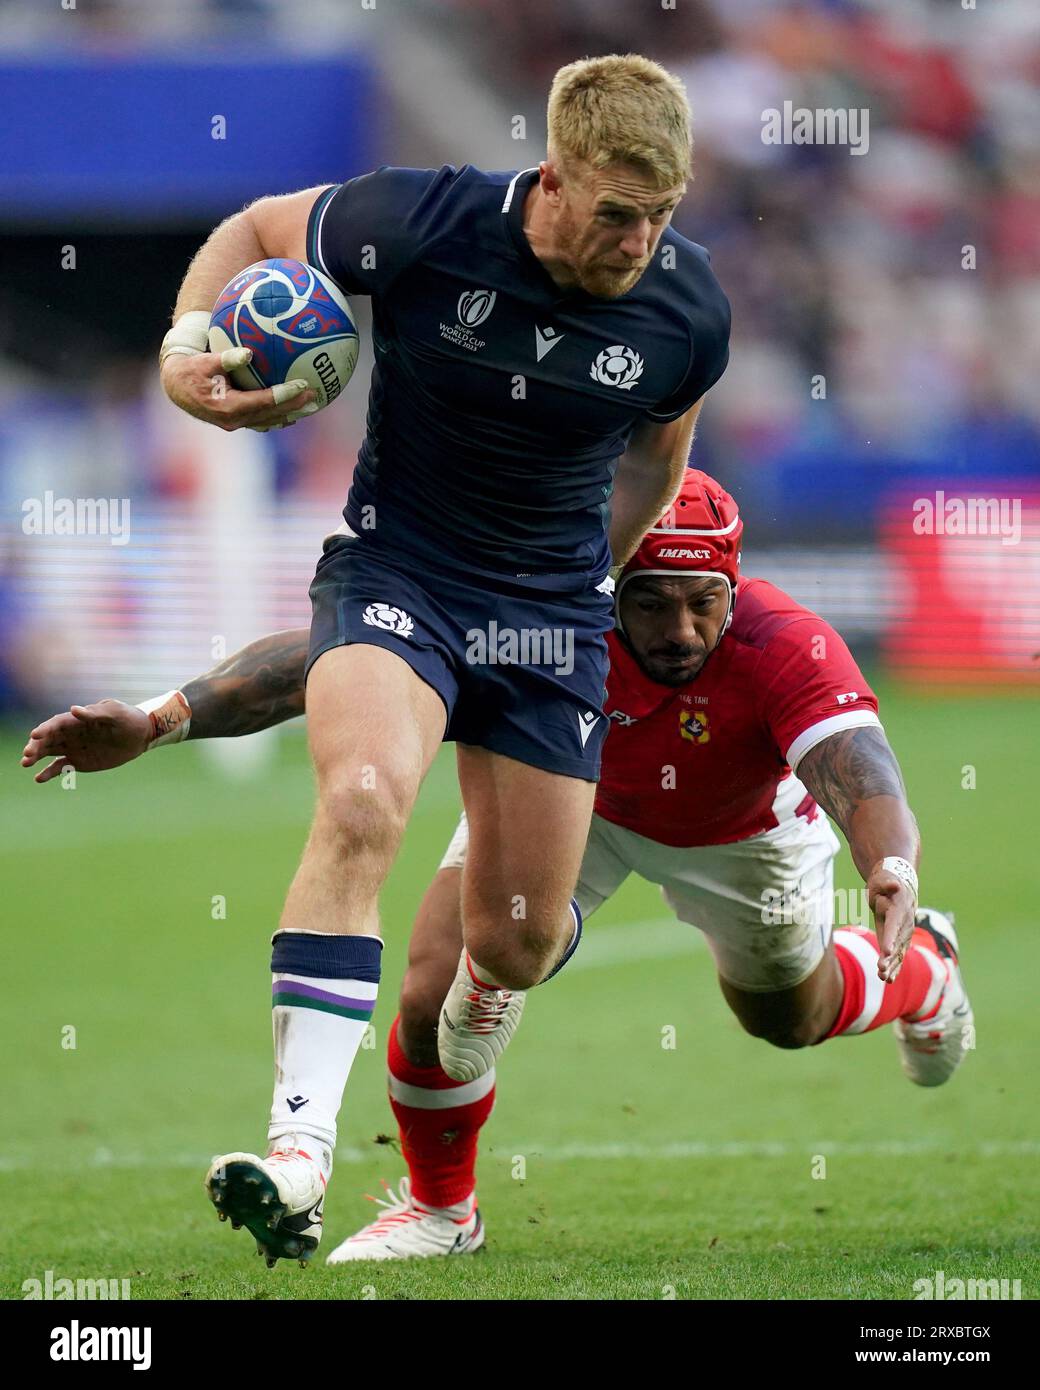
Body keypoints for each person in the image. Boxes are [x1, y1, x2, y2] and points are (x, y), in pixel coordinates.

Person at [24, 470, 973, 1263]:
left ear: (735, 585)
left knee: (787, 1019)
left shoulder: (785, 641)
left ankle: (927, 974)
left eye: (703, 603)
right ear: (610, 586)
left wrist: (887, 861)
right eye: (650, 601)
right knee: (434, 988)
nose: (680, 629)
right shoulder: (541, 614)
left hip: (743, 838)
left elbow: (858, 765)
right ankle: (443, 1211)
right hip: (571, 799)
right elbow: (331, 659)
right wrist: (160, 718)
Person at [149, 54, 731, 1263]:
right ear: (555, 178)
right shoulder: (423, 220)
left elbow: (650, 462)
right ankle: (298, 1153)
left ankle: (439, 1182)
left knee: (512, 940)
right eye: (616, 213)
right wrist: (183, 345)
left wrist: (584, 584)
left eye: (661, 215)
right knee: (361, 800)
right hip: (398, 572)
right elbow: (254, 226)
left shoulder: (687, 309)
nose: (638, 240)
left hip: (551, 616)